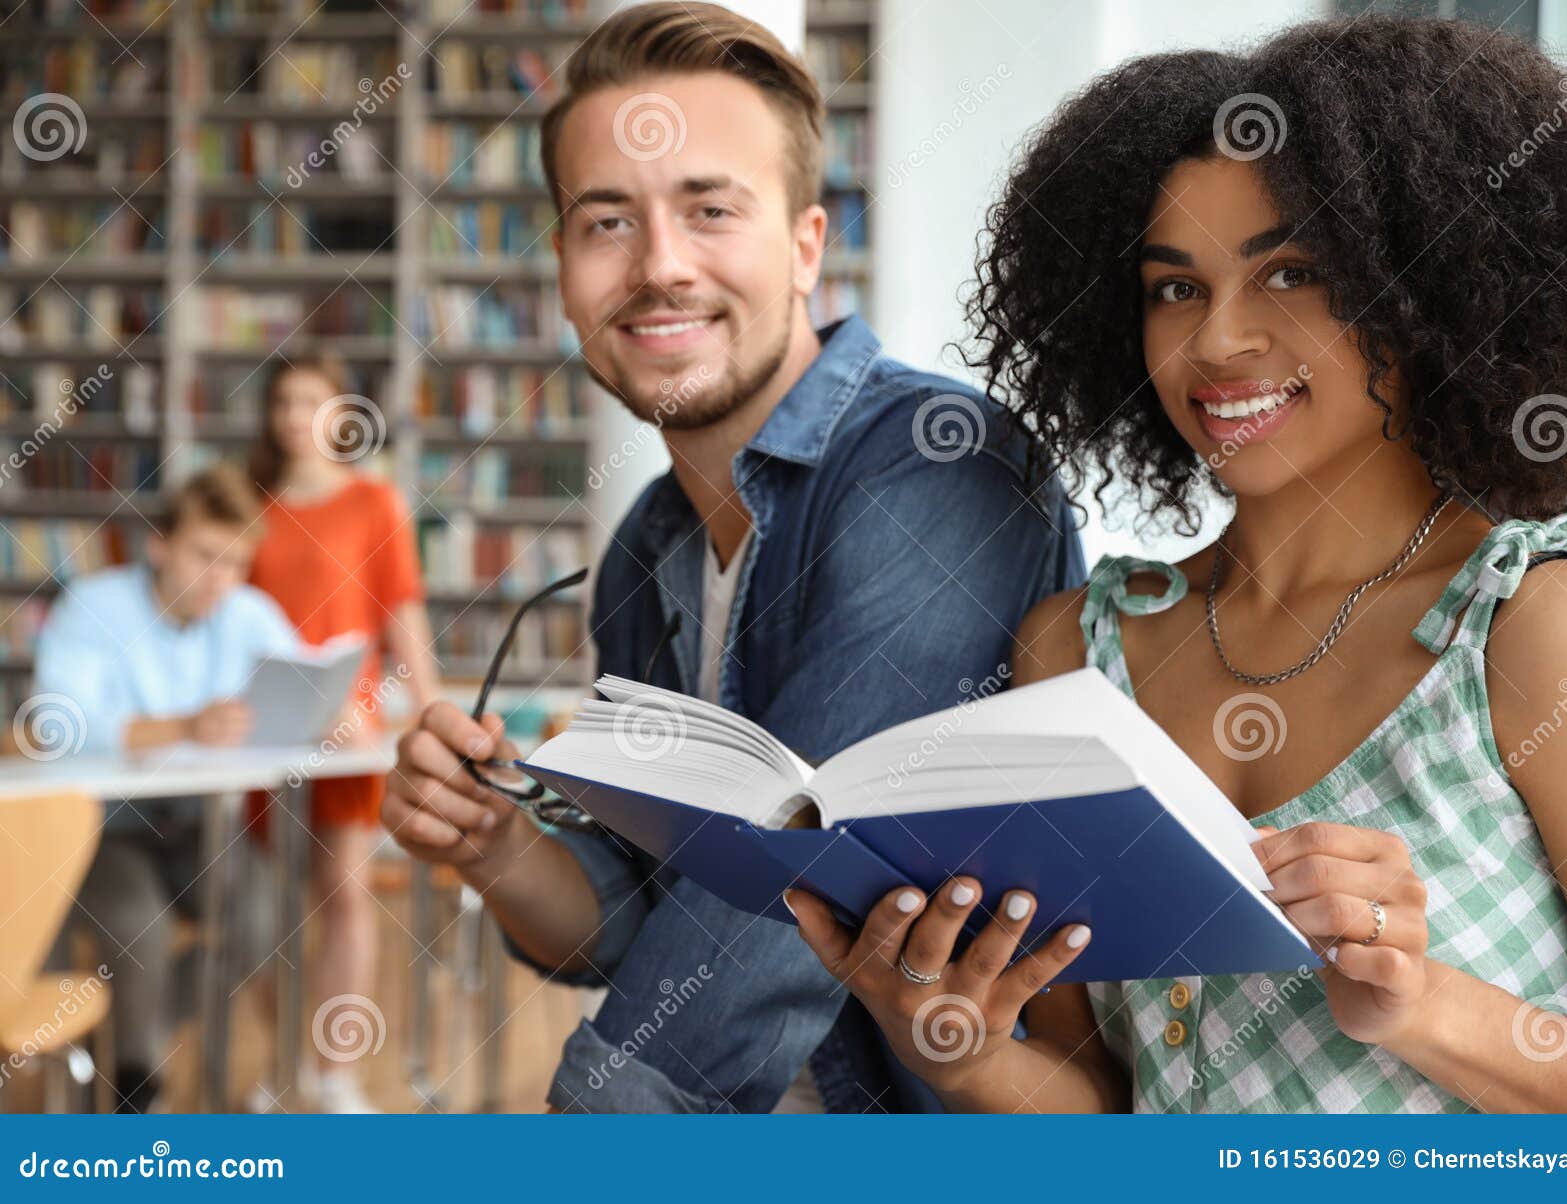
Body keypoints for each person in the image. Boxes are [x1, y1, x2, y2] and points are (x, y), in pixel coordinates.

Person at [789, 15, 1567, 1113]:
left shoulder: (1535, 624)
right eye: (1174, 288)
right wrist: (959, 1050)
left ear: (1431, 292)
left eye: (1292, 273)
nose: (1217, 340)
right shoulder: (1076, 651)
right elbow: (1109, 1103)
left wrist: (1422, 1009)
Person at [380, 1, 1086, 1113]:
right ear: (562, 263)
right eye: (607, 222)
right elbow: (642, 926)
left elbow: (810, 848)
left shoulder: (937, 465)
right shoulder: (643, 548)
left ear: (806, 245)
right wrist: (498, 845)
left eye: (710, 210)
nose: (659, 266)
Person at [32, 464, 298, 1112]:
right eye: (205, 556)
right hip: (102, 829)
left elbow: (304, 680)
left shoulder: (248, 613)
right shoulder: (94, 605)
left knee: (264, 916)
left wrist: (336, 709)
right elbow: (55, 724)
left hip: (198, 824)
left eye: (236, 564)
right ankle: (135, 1079)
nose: (219, 579)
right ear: (159, 544)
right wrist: (182, 726)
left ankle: (135, 1039)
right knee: (138, 928)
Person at [246, 357, 438, 1113]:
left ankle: (336, 1074)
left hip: (347, 730)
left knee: (346, 895)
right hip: (263, 732)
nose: (296, 416)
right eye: (284, 401)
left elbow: (403, 611)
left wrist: (429, 709)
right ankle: (286, 1061)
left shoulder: (374, 502)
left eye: (312, 401)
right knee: (264, 914)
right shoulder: (250, 506)